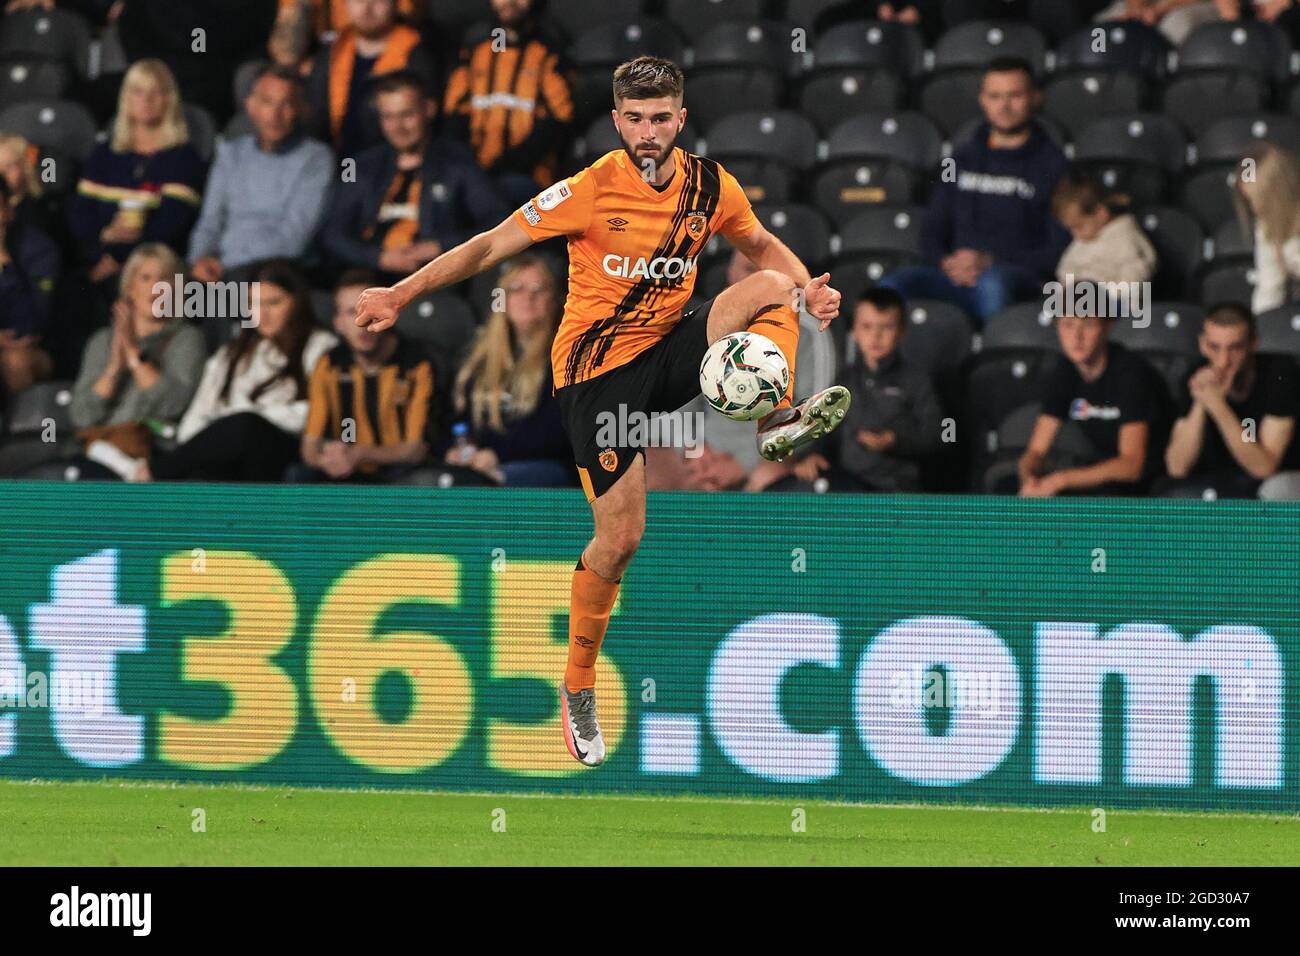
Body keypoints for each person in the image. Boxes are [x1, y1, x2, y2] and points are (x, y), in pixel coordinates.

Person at [352, 56, 850, 767]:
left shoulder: (712, 187)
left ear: (681, 119)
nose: (649, 133)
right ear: (619, 121)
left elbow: (762, 243)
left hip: (670, 351)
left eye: (661, 119)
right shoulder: (588, 190)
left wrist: (813, 289)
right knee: (621, 541)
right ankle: (579, 683)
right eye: (635, 120)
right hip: (595, 376)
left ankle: (775, 416)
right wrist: (400, 293)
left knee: (770, 284)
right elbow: (492, 243)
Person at [880, 57, 1070, 327]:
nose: (1003, 106)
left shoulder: (1055, 166)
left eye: (1014, 95)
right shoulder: (962, 158)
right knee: (890, 288)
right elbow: (932, 230)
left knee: (993, 285)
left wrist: (990, 261)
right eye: (995, 96)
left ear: (1036, 98)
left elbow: (1058, 250)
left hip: (1015, 278)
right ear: (982, 99)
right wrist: (946, 262)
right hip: (955, 275)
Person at [644, 248, 837, 492]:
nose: (754, 281)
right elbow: (680, 399)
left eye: (763, 272)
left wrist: (746, 463)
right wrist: (692, 450)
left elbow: (817, 411)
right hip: (706, 450)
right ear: (730, 272)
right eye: (747, 270)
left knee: (770, 477)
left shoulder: (808, 331)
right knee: (651, 468)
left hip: (772, 453)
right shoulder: (707, 323)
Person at [130, 260, 336, 481]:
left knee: (245, 425)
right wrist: (213, 437)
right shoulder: (231, 354)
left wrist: (244, 415)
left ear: (297, 303)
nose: (262, 314)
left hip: (283, 448)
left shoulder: (321, 347)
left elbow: (311, 414)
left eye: (273, 303)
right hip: (229, 451)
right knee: (204, 474)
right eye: (254, 304)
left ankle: (155, 473)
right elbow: (199, 414)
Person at [318, 70, 509, 283]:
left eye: (407, 115)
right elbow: (333, 233)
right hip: (370, 279)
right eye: (388, 117)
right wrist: (378, 257)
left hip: (437, 280)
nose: (398, 127)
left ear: (429, 109)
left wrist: (440, 247)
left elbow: (498, 221)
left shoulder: (457, 162)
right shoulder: (362, 166)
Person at [750, 287, 943, 493]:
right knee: (777, 491)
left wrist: (895, 441)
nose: (875, 336)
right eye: (867, 327)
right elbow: (826, 426)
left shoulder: (916, 380)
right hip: (845, 478)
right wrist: (813, 456)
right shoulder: (846, 377)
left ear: (901, 331)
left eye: (886, 327)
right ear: (856, 332)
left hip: (892, 487)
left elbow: (939, 436)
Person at [67, 59, 205, 292]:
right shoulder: (104, 153)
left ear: (169, 99)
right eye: (137, 92)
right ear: (126, 98)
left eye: (156, 93)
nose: (146, 100)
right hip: (98, 259)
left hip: (155, 270)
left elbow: (170, 228)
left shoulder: (183, 158)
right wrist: (104, 235)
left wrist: (120, 259)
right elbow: (80, 215)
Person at [188, 65, 334, 282]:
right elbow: (210, 221)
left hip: (275, 271)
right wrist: (200, 258)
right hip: (218, 268)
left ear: (301, 109)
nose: (275, 115)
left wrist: (224, 264)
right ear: (251, 105)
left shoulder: (316, 159)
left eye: (286, 104)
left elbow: (293, 240)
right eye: (267, 102)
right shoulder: (231, 152)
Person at [290, 269, 434, 482]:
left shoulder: (416, 364)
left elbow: (416, 449)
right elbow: (310, 444)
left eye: (370, 309)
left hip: (399, 472)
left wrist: (360, 454)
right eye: (351, 312)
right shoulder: (329, 365)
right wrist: (326, 460)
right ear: (338, 323)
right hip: (346, 470)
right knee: (298, 475)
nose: (362, 322)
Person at [446, 253, 572, 486]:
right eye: (516, 289)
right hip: (482, 464)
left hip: (547, 467)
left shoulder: (566, 356)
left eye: (539, 289)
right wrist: (459, 448)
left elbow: (559, 434)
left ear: (554, 300)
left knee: (483, 482)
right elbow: (456, 419)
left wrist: (497, 456)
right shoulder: (478, 357)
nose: (528, 297)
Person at [1018, 290, 1157, 497]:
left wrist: (1060, 480)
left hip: (1149, 482)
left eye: (1088, 324)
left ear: (1107, 326)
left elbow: (1132, 466)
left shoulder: (1131, 371)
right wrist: (1029, 477)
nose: (1077, 337)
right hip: (1101, 474)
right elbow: (1036, 451)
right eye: (1068, 325)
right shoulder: (1064, 370)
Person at [442, 0, 575, 207]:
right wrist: (471, 168)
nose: (509, 2)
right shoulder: (475, 51)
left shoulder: (549, 53)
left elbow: (556, 123)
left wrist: (501, 167)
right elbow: (455, 115)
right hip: (472, 172)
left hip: (526, 177)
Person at [1163, 303, 1300, 496]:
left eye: (1235, 348)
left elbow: (1263, 468)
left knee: (1275, 490)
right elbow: (1177, 467)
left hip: (1282, 483)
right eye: (1214, 347)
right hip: (1223, 480)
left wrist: (1216, 404)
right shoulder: (1195, 375)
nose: (1223, 361)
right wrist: (1201, 403)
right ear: (1203, 345)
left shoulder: (1280, 374)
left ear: (1254, 343)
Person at [69, 243, 206, 433]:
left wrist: (133, 353)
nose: (156, 288)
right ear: (130, 288)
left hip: (152, 449)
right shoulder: (103, 341)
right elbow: (82, 416)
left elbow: (173, 405)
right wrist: (114, 368)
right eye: (146, 278)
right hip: (100, 444)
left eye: (165, 279)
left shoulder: (187, 338)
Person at [306, 0, 437, 158]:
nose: (367, 8)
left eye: (379, 0)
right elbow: (315, 118)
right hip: (345, 163)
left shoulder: (419, 56)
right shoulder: (332, 53)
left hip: (396, 167)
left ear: (395, 4)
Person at [0, 176, 61, 395]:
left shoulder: (38, 250)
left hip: (35, 349)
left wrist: (4, 263)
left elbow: (26, 331)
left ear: (8, 210)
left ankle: (17, 428)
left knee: (16, 361)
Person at [1053, 170, 1157, 286]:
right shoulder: (1082, 240)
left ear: (1101, 213)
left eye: (1079, 227)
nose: (1075, 234)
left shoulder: (1125, 237)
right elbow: (1066, 267)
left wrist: (1108, 294)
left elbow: (1136, 275)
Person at [1236, 142, 1300, 316]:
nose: (1254, 209)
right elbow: (1269, 289)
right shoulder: (1267, 228)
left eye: (1259, 199)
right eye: (1248, 201)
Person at [1094, 0, 1222, 45]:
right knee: (1100, 29)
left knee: (1176, 24)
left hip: (1199, 4)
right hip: (1152, 5)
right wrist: (1135, 10)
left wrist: (1159, 11)